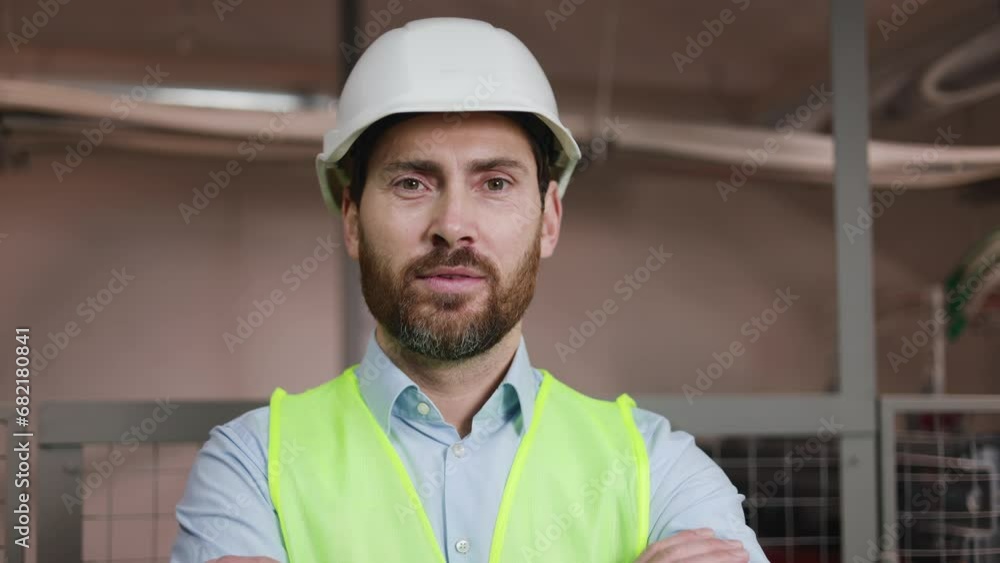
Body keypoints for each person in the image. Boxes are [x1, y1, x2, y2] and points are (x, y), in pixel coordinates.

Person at [171, 17, 767, 563]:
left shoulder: (660, 470)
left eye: (496, 182)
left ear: (549, 218)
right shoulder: (251, 468)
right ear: (351, 218)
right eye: (411, 182)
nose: (453, 223)